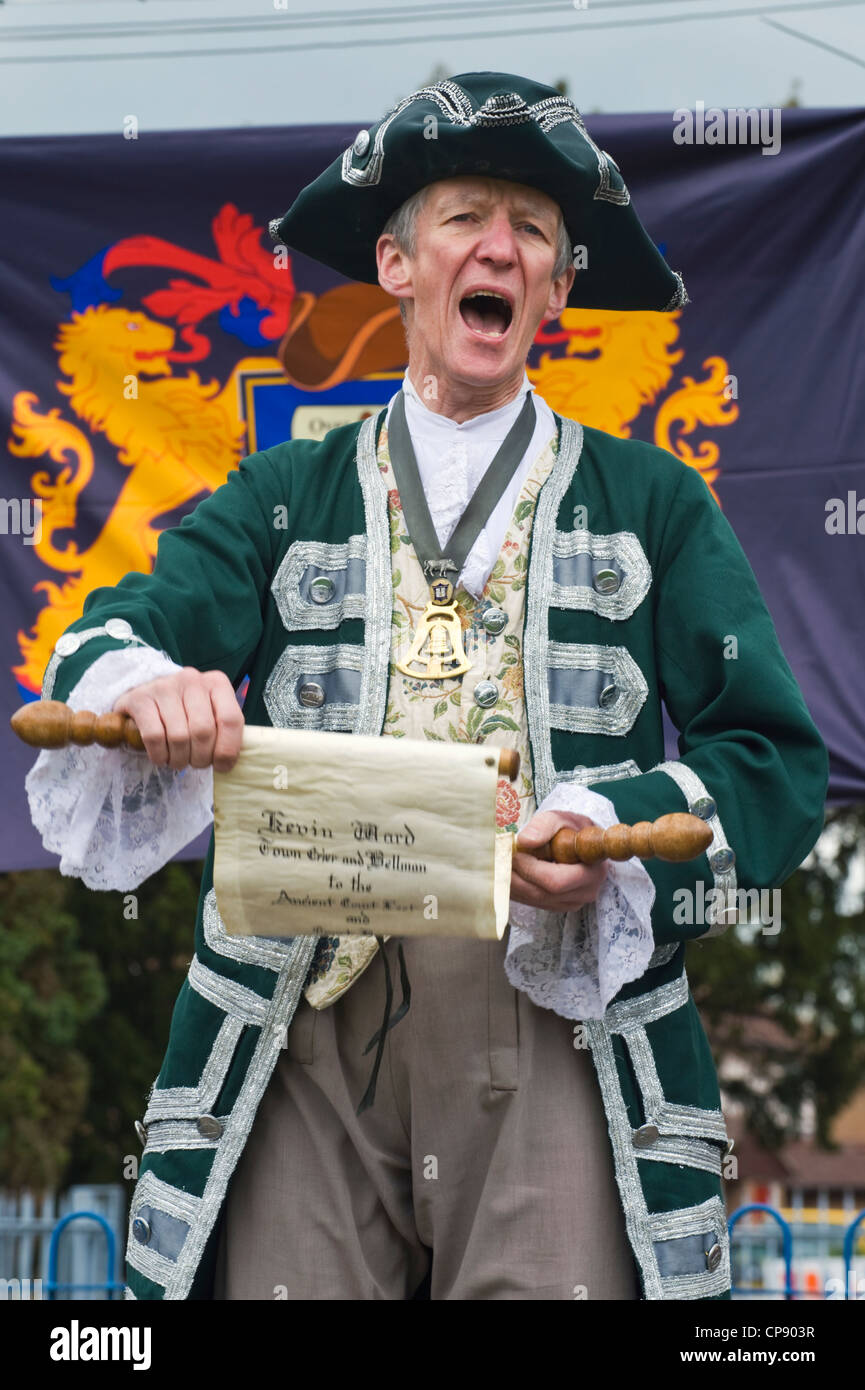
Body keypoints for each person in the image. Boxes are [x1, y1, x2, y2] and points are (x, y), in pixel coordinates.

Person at [25, 72, 828, 1301]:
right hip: (299, 1016)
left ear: (558, 287)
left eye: (533, 230)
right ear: (397, 265)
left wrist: (610, 832)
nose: (498, 246)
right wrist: (148, 685)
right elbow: (111, 630)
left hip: (552, 1004)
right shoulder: (283, 491)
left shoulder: (654, 500)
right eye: (464, 215)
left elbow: (771, 763)